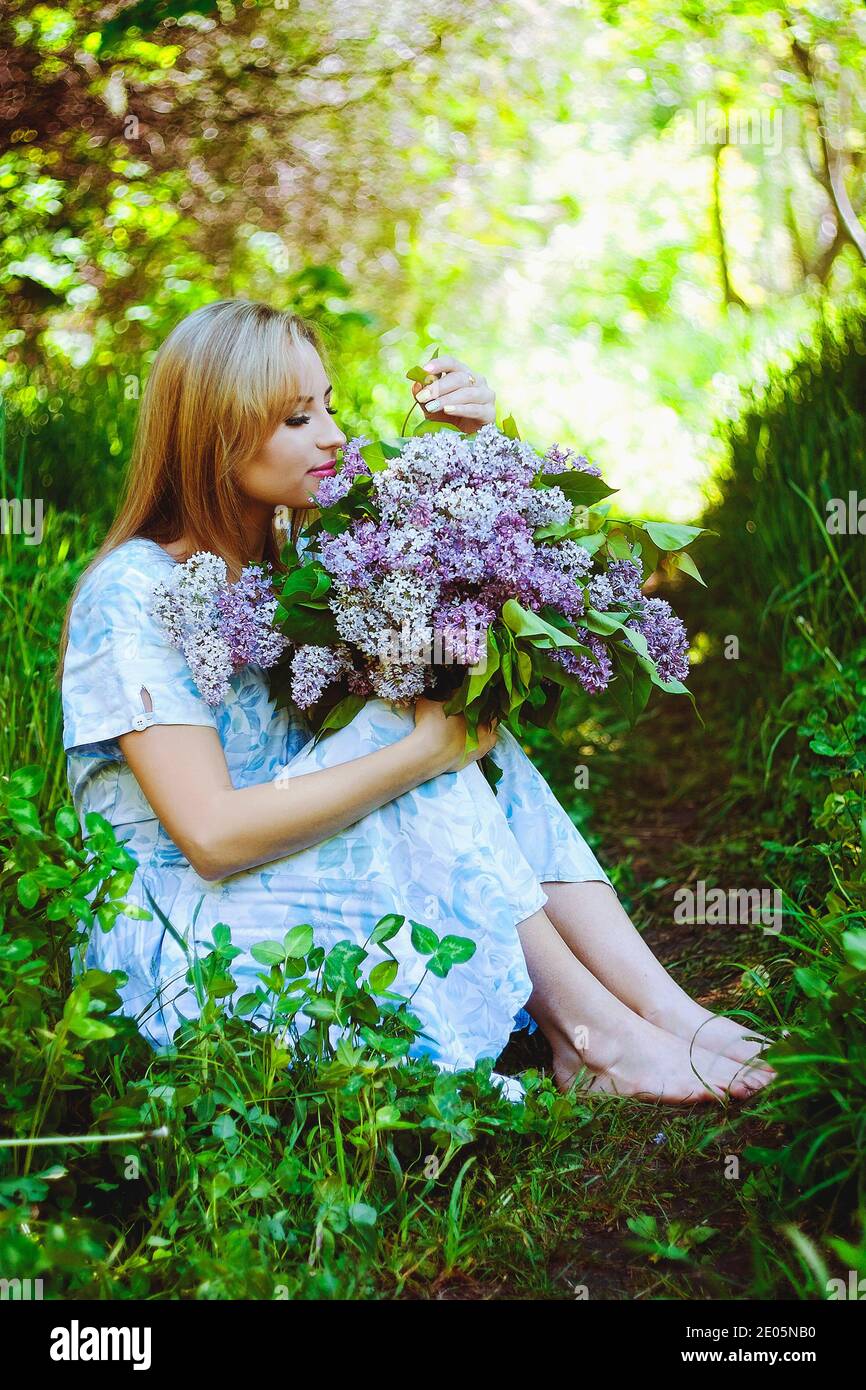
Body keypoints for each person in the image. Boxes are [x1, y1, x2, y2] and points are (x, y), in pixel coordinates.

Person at [58, 299, 775, 1104]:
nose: (333, 434)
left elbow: (423, 668)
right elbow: (214, 837)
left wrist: (467, 455)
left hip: (270, 886)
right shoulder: (135, 593)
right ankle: (597, 1041)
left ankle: (665, 1013)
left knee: (457, 733)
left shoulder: (284, 571)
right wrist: (420, 755)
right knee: (415, 743)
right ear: (214, 434)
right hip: (182, 947)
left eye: (329, 405)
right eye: (297, 417)